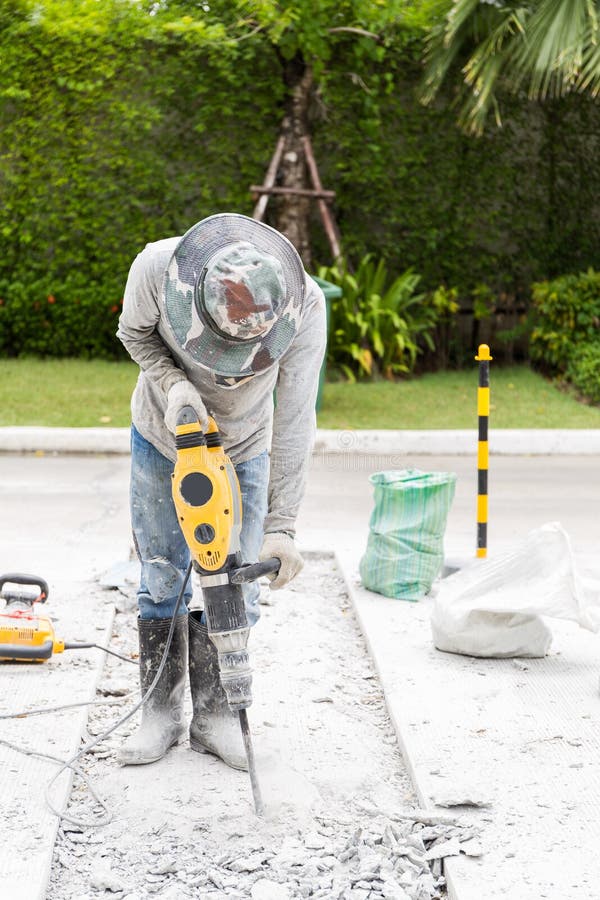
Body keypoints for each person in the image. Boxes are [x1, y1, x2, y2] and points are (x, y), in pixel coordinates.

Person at [115, 213, 326, 770]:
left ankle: (216, 718)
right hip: (163, 433)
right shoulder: (157, 269)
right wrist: (174, 384)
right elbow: (133, 333)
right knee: (162, 575)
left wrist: (282, 527)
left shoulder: (304, 306)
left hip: (246, 443)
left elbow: (296, 418)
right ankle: (159, 715)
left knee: (236, 585)